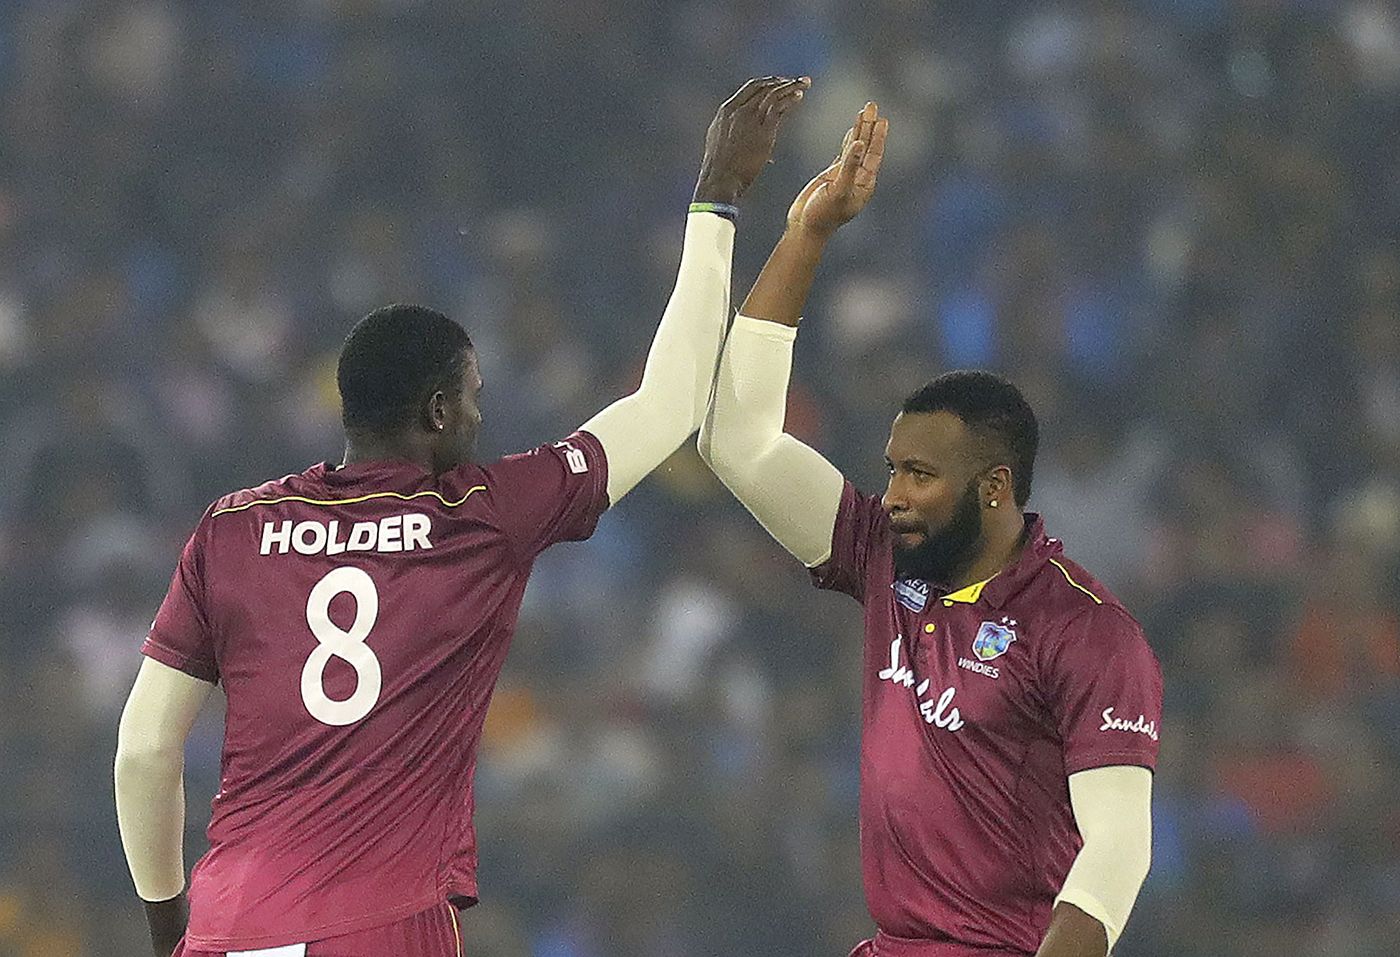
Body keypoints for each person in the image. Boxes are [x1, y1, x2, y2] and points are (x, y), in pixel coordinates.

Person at [113, 76, 811, 957]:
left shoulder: (231, 528)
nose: (482, 420)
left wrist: (171, 920)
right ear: (440, 412)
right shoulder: (483, 515)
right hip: (380, 923)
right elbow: (670, 402)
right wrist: (716, 197)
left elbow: (144, 751)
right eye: (473, 400)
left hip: (230, 922)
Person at [699, 103, 1161, 957]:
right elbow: (738, 441)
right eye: (891, 469)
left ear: (993, 487)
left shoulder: (1086, 630)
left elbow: (1119, 848)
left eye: (919, 474)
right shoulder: (885, 552)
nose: (894, 492)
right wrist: (806, 235)